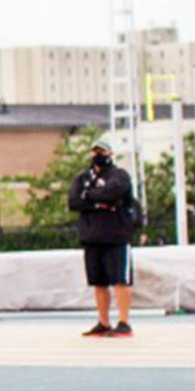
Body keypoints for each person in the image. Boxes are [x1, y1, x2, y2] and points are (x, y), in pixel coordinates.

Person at [68, 139, 137, 338]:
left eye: (102, 152)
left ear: (110, 155)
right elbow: (74, 201)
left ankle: (123, 322)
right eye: (96, 152)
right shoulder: (83, 178)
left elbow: (112, 194)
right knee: (98, 282)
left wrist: (89, 197)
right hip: (92, 236)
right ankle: (103, 322)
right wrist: (97, 201)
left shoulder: (119, 175)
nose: (99, 156)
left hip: (116, 236)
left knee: (120, 280)